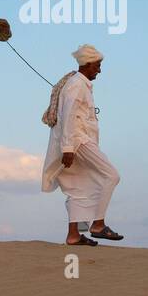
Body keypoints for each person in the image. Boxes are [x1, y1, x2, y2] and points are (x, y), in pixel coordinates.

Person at [41, 44, 123, 246]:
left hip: (77, 141)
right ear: (87, 64)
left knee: (77, 187)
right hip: (78, 141)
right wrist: (68, 148)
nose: (99, 70)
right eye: (97, 65)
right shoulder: (77, 85)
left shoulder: (80, 84)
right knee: (111, 175)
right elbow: (68, 116)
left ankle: (73, 235)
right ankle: (98, 224)